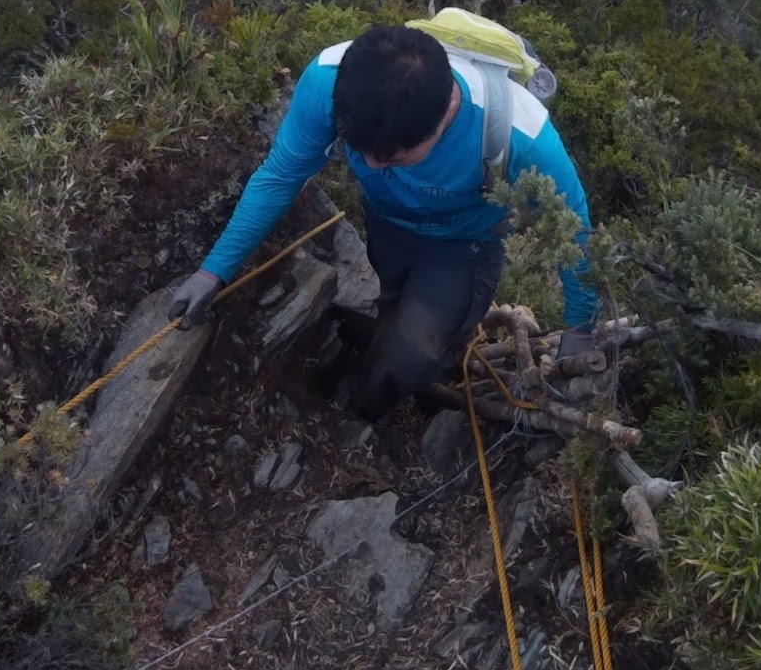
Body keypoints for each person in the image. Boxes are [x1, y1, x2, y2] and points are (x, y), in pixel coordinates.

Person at [169, 23, 595, 420]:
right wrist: (213, 272)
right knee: (393, 308)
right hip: (386, 226)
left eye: (394, 157)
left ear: (446, 112)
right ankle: (394, 346)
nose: (372, 164)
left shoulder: (519, 135)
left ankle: (370, 408)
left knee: (408, 358)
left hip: (462, 249)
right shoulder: (331, 83)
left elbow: (575, 233)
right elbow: (281, 175)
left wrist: (578, 332)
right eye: (362, 150)